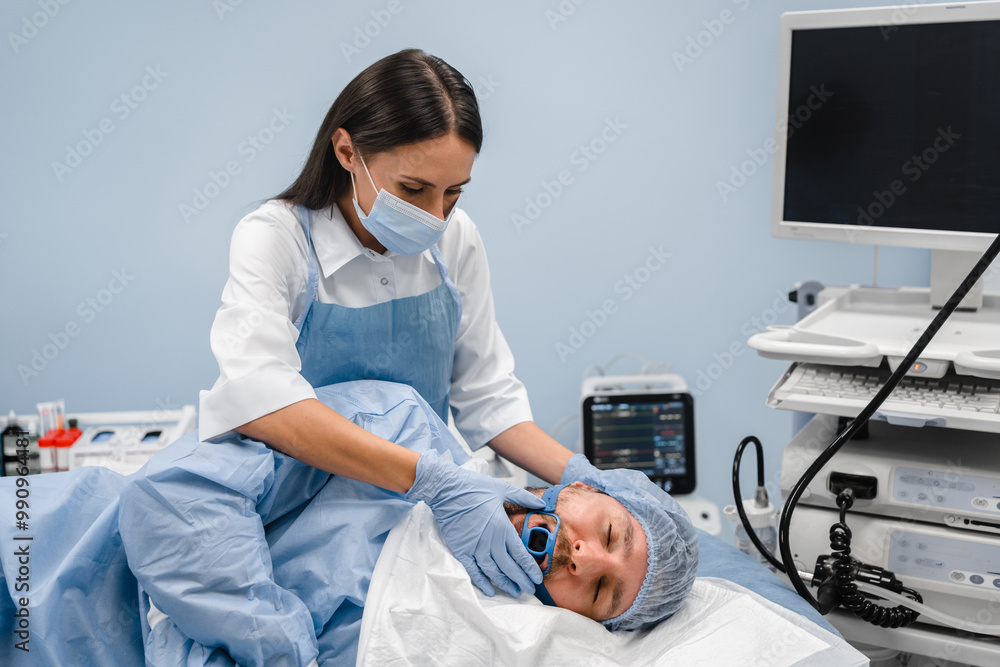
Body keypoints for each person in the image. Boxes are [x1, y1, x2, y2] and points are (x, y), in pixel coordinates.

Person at [198, 47, 578, 601]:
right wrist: (433, 478)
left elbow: (487, 400)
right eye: (413, 190)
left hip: (417, 521)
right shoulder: (274, 238)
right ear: (347, 151)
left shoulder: (457, 240)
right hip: (301, 523)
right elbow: (266, 405)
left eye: (453, 194)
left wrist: (583, 473)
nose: (435, 216)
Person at [0, 380, 698, 667]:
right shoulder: (395, 424)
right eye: (609, 534)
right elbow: (173, 500)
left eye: (603, 593)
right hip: (40, 555)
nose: (582, 558)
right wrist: (281, 648)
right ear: (577, 487)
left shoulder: (495, 639)